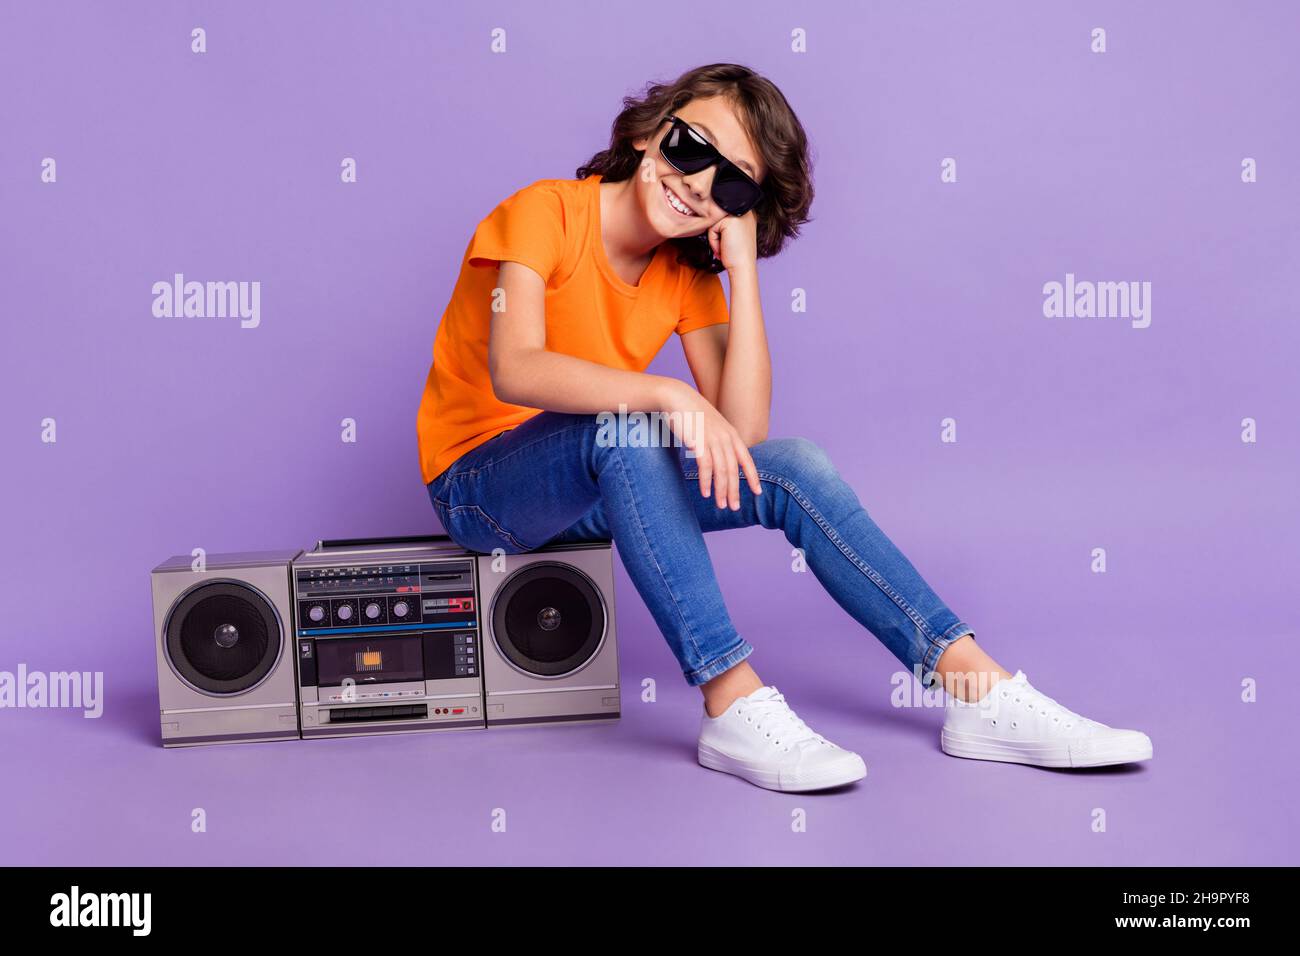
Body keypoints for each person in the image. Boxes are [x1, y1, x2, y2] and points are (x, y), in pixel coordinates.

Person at [417, 63, 1153, 792]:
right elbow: (516, 367)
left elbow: (744, 434)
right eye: (690, 147)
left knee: (793, 464)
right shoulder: (542, 211)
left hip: (602, 485)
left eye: (732, 182)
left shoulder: (685, 275)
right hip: (483, 490)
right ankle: (731, 699)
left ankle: (976, 690)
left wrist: (742, 270)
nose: (699, 182)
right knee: (634, 427)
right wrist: (668, 395)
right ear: (647, 134)